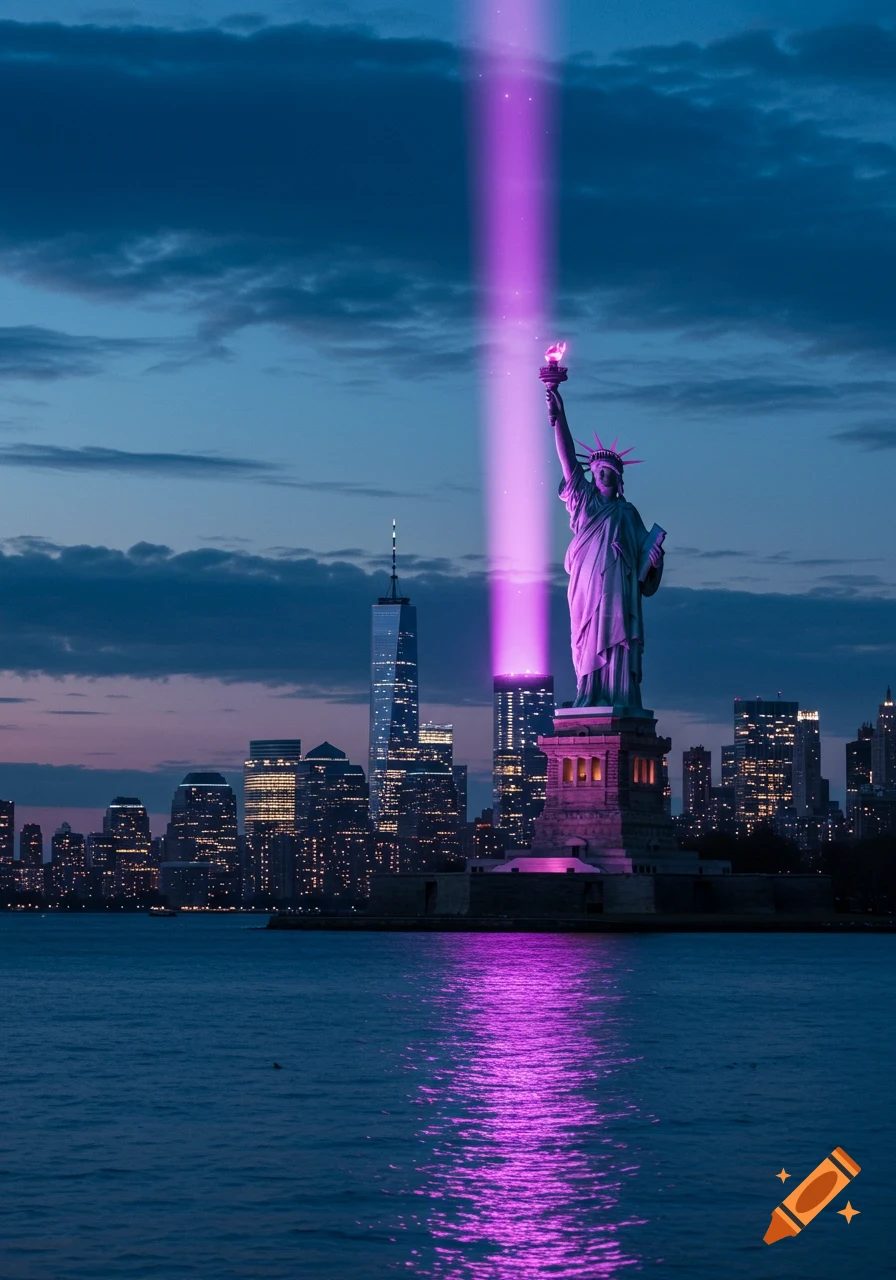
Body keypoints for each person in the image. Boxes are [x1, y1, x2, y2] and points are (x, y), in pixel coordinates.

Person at [545, 383, 664, 709]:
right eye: (596, 470)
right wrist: (560, 417)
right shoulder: (584, 500)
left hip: (617, 588)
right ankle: (589, 692)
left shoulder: (628, 513)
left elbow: (645, 562)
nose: (600, 474)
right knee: (586, 638)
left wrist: (654, 560)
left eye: (607, 471)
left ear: (617, 478)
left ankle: (618, 694)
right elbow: (568, 460)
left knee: (617, 636)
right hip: (586, 586)